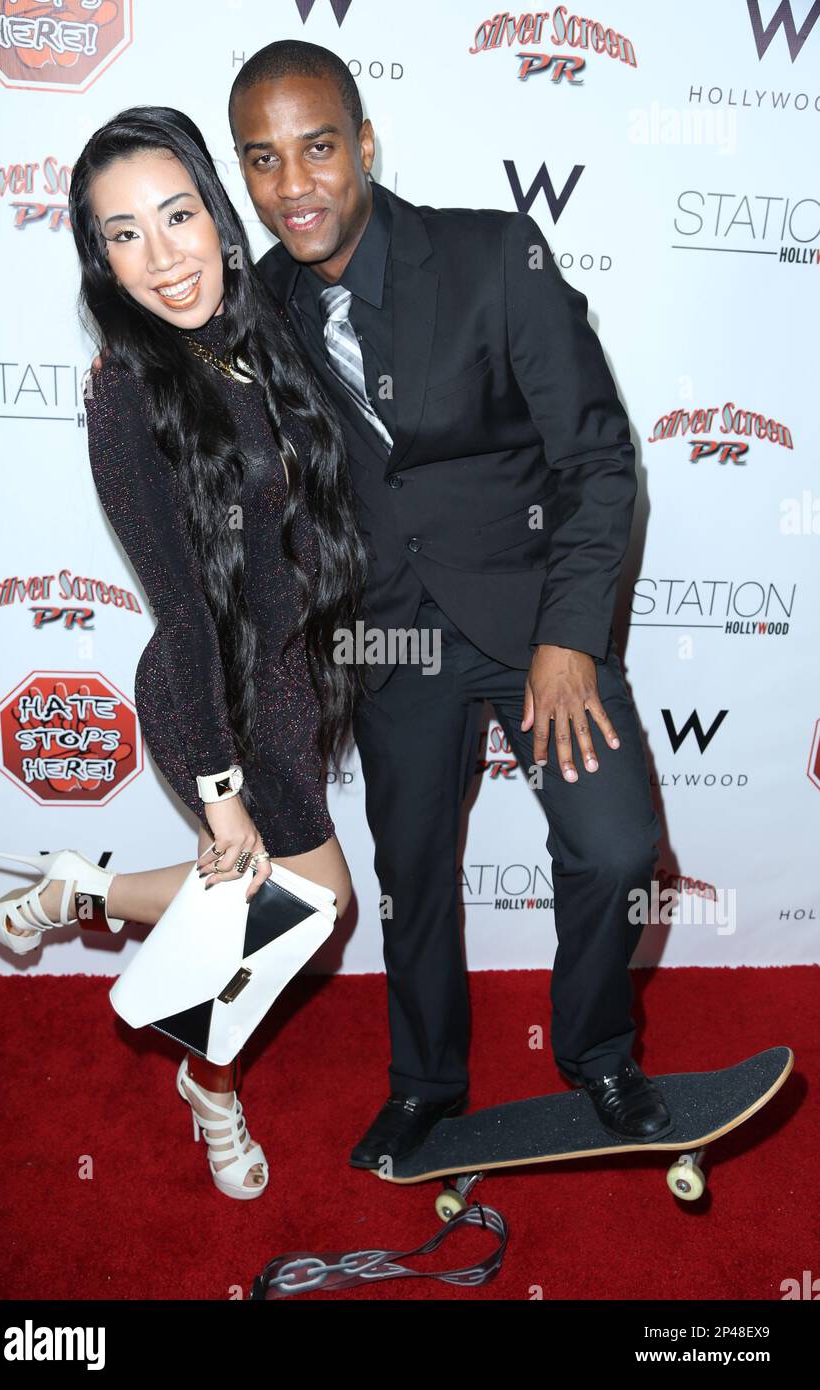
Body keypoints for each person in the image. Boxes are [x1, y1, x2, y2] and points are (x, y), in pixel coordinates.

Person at [228, 40, 672, 1166]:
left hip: (533, 614)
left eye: (318, 148)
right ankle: (426, 1080)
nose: (294, 184)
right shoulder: (258, 309)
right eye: (263, 160)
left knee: (615, 849)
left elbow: (598, 460)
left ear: (365, 145)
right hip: (386, 633)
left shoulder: (492, 255)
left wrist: (569, 638)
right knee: (410, 871)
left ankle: (598, 1051)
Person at [0, 105, 365, 1199]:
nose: (161, 255)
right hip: (216, 697)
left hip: (285, 680)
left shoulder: (255, 331)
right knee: (309, 899)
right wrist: (219, 788)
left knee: (258, 916)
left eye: (177, 215)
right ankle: (201, 1071)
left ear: (216, 215)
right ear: (99, 260)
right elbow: (183, 612)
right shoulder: (126, 390)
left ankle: (88, 902)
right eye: (124, 234)